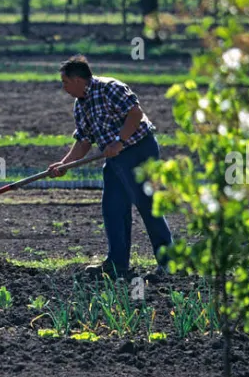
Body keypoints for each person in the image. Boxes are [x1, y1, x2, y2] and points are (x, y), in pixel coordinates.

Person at [48, 54, 173, 281]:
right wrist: (64, 164)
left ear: (78, 80)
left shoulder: (110, 88)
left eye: (65, 82)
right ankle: (117, 264)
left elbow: (136, 114)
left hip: (138, 151)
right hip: (115, 158)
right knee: (113, 208)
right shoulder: (80, 105)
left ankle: (169, 263)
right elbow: (84, 141)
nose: (63, 87)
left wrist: (120, 141)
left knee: (146, 205)